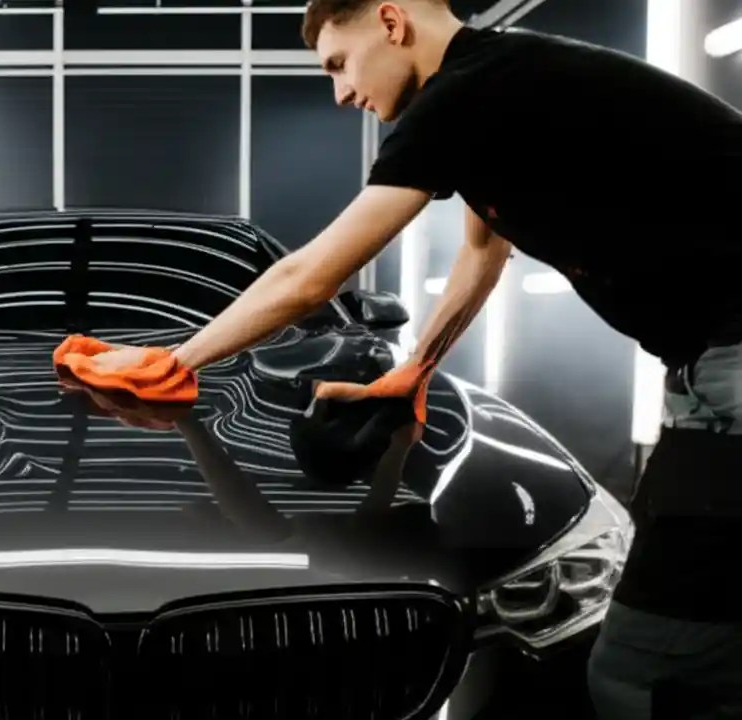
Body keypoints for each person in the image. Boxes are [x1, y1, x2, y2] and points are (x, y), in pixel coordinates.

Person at [88, 0, 742, 717]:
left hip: (732, 364)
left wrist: (172, 361)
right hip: (704, 368)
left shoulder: (461, 95)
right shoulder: (504, 84)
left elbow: (309, 278)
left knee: (645, 672)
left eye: (339, 64)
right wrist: (417, 369)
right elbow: (482, 251)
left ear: (391, 22)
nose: (341, 93)